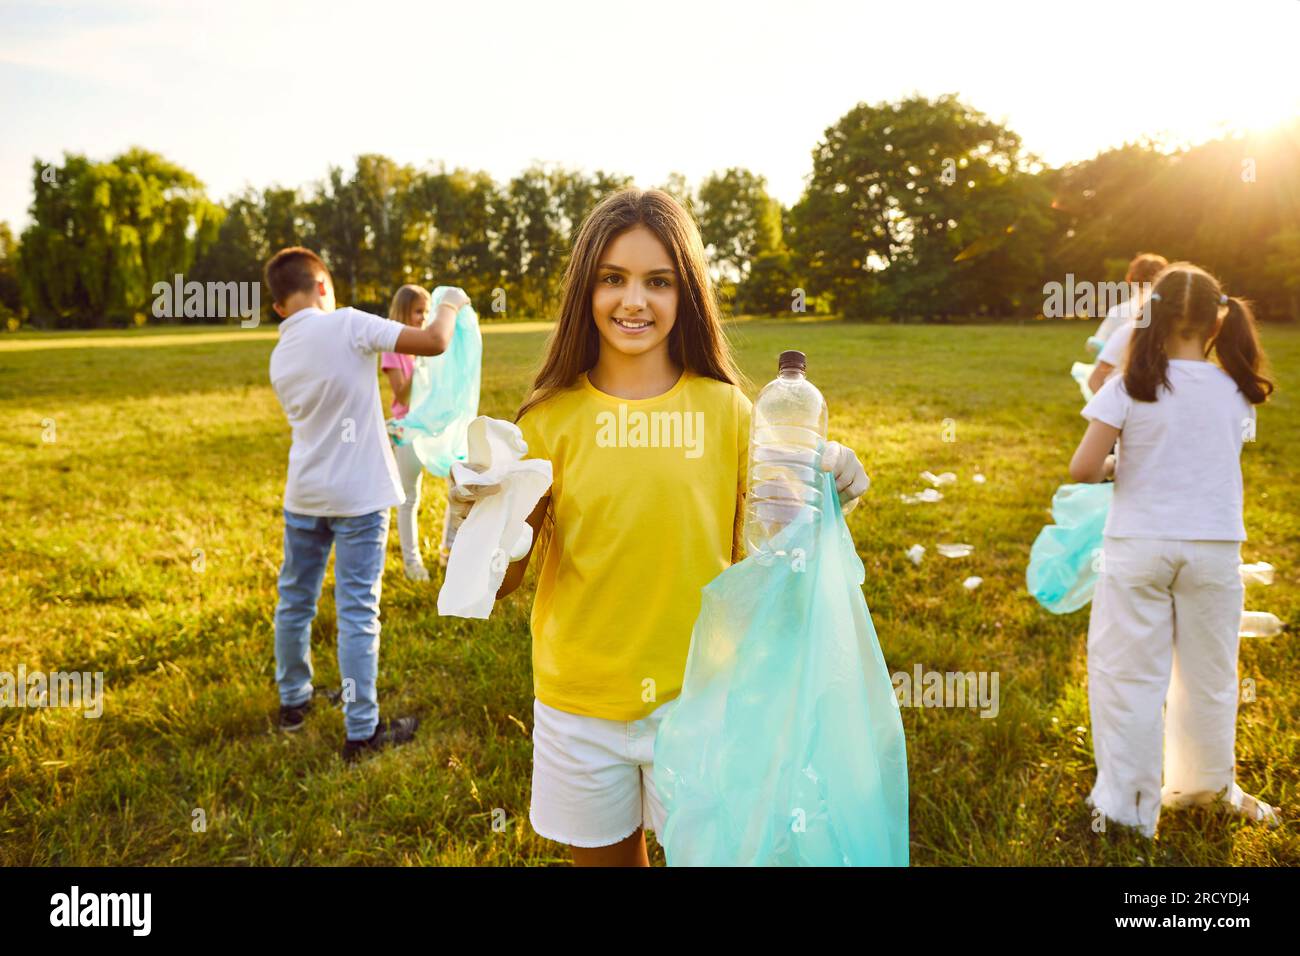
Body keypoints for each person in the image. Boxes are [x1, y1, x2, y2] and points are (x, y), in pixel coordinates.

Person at [448, 189, 870, 865]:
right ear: (586, 290)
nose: (633, 301)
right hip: (580, 703)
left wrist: (831, 494)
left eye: (657, 281)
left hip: (705, 698)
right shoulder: (547, 420)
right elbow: (503, 584)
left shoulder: (730, 412)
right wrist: (477, 521)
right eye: (612, 279)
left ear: (687, 294)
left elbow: (782, 547)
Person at [1069, 261, 1277, 836]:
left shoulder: (1129, 385)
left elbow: (1084, 467)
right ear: (1216, 319)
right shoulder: (1237, 390)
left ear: (1150, 317)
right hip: (1214, 549)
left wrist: (1119, 464)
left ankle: (1126, 808)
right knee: (1210, 674)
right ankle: (1204, 786)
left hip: (1138, 545)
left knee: (1128, 674)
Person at [265, 246, 468, 761]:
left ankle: (294, 702)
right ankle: (362, 730)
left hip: (305, 495)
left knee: (295, 600)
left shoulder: (281, 351)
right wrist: (450, 302)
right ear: (324, 287)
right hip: (358, 498)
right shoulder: (348, 324)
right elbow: (435, 342)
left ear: (278, 308)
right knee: (357, 610)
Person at [381, 285, 434, 581]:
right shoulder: (393, 350)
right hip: (407, 427)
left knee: (460, 482)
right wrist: (421, 364)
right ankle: (412, 563)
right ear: (403, 312)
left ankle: (449, 548)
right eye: (418, 312)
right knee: (409, 497)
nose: (423, 319)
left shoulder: (428, 345)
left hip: (431, 426)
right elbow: (401, 395)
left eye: (427, 312)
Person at [1087, 252, 1168, 394]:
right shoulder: (1173, 318)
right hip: (1158, 388)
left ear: (1129, 279)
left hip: (1116, 387)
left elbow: (1099, 347)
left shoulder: (1118, 313)